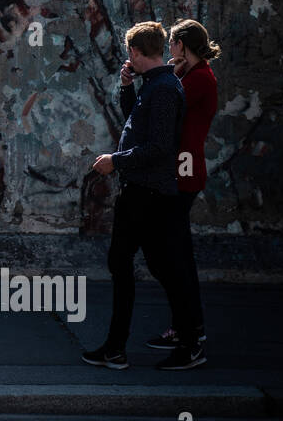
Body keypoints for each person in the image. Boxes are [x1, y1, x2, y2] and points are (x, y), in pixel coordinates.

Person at [83, 21, 201, 371]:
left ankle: (125, 348)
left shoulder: (164, 89)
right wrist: (125, 88)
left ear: (135, 52)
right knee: (156, 266)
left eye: (128, 52)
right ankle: (181, 342)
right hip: (143, 192)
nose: (127, 58)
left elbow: (158, 147)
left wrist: (114, 162)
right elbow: (138, 127)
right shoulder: (154, 85)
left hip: (146, 194)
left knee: (126, 264)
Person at [141, 19, 220, 353]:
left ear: (184, 45)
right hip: (178, 173)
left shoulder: (199, 79)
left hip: (183, 175)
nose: (168, 47)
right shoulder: (189, 75)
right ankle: (187, 326)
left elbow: (165, 107)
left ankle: (189, 329)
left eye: (172, 41)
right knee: (172, 256)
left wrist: (161, 77)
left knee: (171, 257)